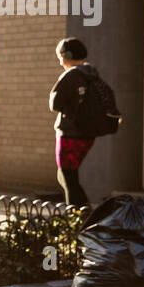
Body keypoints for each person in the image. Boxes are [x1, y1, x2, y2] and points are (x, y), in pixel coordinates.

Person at [48, 37, 97, 207]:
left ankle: (78, 219)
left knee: (68, 178)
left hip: (70, 134)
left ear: (67, 55)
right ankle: (84, 210)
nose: (60, 60)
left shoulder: (71, 76)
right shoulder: (91, 74)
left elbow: (54, 104)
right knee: (66, 176)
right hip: (87, 134)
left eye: (60, 56)